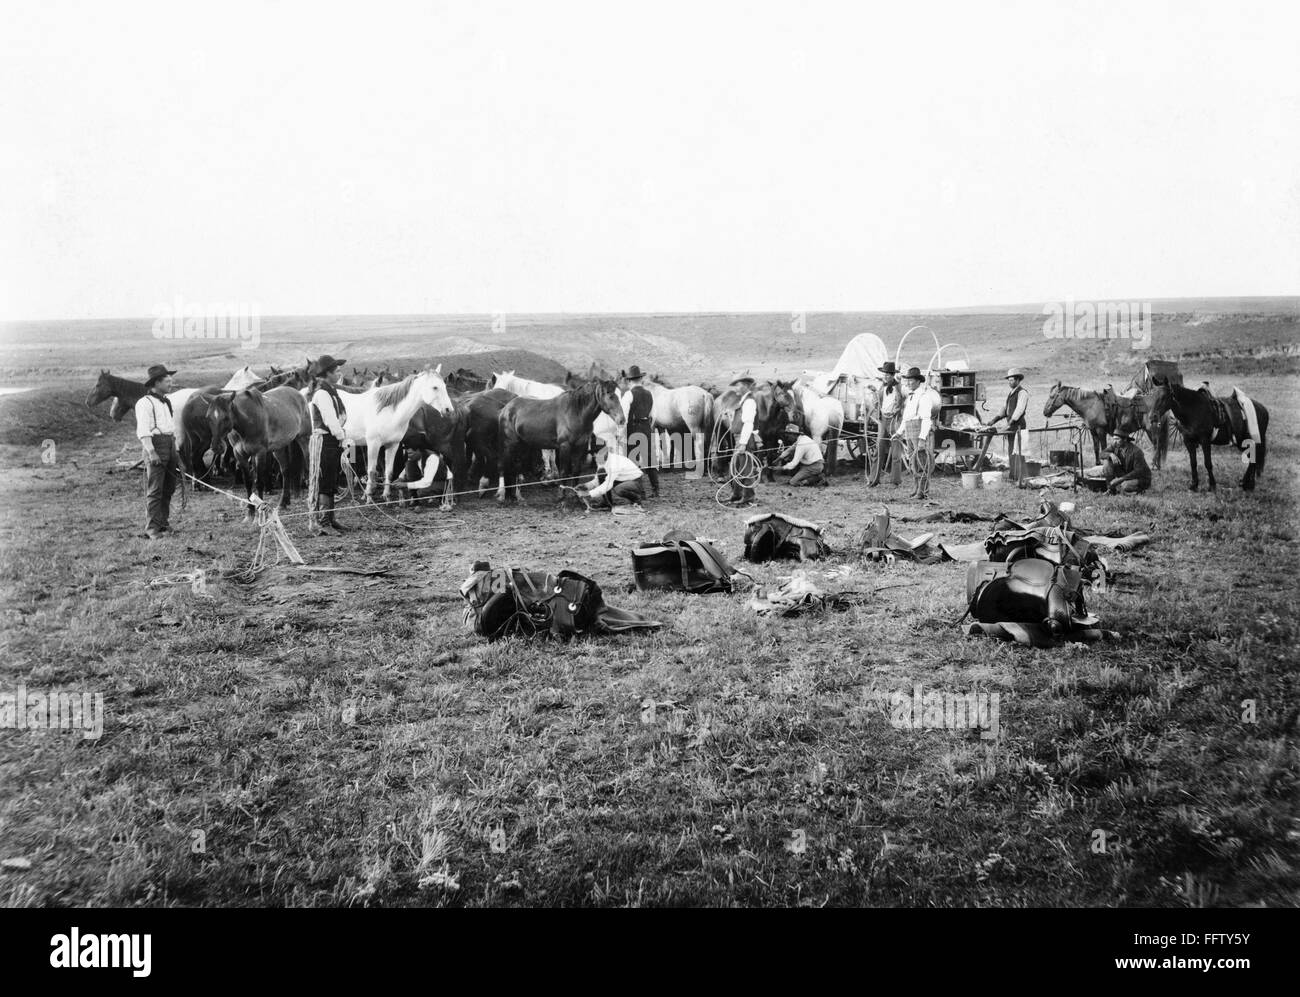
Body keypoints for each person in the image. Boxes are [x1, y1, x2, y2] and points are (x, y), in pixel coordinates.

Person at [135, 363, 181, 540]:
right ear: (156, 383)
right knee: (155, 489)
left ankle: (163, 523)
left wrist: (175, 450)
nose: (171, 384)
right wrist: (151, 452)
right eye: (167, 381)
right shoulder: (144, 403)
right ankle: (152, 528)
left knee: (168, 488)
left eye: (171, 380)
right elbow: (143, 431)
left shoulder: (166, 402)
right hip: (155, 445)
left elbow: (170, 428)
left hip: (169, 444)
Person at [306, 355, 349, 534]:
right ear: (327, 374)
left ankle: (330, 519)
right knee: (325, 480)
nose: (340, 373)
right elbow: (331, 420)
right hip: (325, 441)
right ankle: (323, 523)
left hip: (332, 440)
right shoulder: (322, 394)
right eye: (337, 371)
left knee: (331, 479)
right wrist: (342, 437)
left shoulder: (329, 391)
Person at [897, 367, 940, 499]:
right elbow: (906, 418)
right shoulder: (910, 397)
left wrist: (922, 438)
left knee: (921, 462)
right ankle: (916, 488)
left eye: (911, 380)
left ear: (918, 381)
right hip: (909, 429)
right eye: (907, 380)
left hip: (918, 429)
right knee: (912, 462)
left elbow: (926, 419)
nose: (908, 383)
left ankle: (923, 491)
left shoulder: (924, 396)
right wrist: (899, 432)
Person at [621, 365, 659, 497]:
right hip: (646, 427)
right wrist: (647, 427)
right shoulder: (649, 394)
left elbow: (624, 418)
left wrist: (622, 433)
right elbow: (654, 416)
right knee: (650, 459)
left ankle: (641, 491)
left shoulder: (628, 394)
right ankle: (656, 490)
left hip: (633, 428)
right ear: (640, 379)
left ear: (629, 381)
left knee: (633, 461)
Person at [583, 437, 647, 511]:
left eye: (597, 453)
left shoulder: (614, 462)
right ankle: (607, 503)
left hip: (636, 481)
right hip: (620, 479)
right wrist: (586, 486)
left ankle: (637, 499)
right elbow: (598, 479)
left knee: (619, 489)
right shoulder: (600, 459)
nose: (595, 456)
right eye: (594, 454)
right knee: (601, 475)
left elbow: (607, 485)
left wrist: (589, 494)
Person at [867, 361, 903, 487]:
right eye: (885, 374)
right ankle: (874, 479)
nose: (886, 376)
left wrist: (897, 411)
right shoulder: (882, 387)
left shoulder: (899, 388)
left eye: (888, 374)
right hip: (883, 420)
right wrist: (874, 394)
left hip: (894, 421)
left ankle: (895, 481)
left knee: (896, 452)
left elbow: (904, 404)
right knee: (878, 450)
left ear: (893, 375)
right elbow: (877, 403)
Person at [726, 376, 759, 507]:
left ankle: (748, 497)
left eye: (738, 385)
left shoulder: (749, 402)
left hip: (744, 438)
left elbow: (748, 423)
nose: (735, 388)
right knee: (736, 468)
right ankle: (737, 494)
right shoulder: (744, 401)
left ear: (745, 386)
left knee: (745, 469)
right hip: (739, 438)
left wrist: (743, 443)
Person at [987, 367, 1029, 465]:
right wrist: (993, 420)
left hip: (1018, 425)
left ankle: (1019, 475)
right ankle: (1013, 474)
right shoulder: (1011, 393)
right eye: (1008, 380)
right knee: (1011, 450)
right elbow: (1004, 410)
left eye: (1011, 380)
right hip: (1012, 426)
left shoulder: (1022, 393)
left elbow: (1019, 410)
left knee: (1018, 450)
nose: (1009, 382)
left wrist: (1008, 424)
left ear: (1018, 380)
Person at [778, 422, 827, 487]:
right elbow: (790, 449)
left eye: (788, 435)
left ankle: (818, 478)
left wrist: (781, 468)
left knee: (793, 482)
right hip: (811, 464)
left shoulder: (801, 444)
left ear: (794, 434)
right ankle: (810, 477)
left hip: (814, 466)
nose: (787, 438)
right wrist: (778, 459)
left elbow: (794, 463)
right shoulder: (802, 439)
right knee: (792, 457)